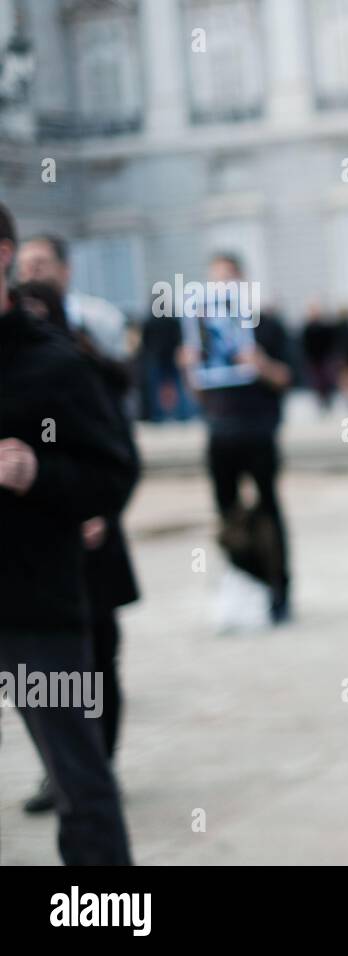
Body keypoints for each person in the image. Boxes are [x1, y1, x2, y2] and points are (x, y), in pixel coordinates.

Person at [0, 202, 136, 864]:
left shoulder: (52, 364)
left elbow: (113, 474)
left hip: (34, 606)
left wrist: (36, 473)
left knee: (78, 780)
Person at [179, 253, 295, 624]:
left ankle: (279, 590)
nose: (222, 286)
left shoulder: (267, 323)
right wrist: (189, 370)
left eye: (229, 278)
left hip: (258, 431)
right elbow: (200, 392)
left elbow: (288, 377)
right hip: (221, 433)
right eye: (216, 280)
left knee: (268, 511)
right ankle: (243, 582)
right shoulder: (202, 328)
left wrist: (260, 364)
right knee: (227, 516)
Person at [16, 233, 131, 362]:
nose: (30, 274)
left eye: (39, 265)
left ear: (65, 269)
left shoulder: (102, 318)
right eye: (23, 267)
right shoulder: (15, 323)